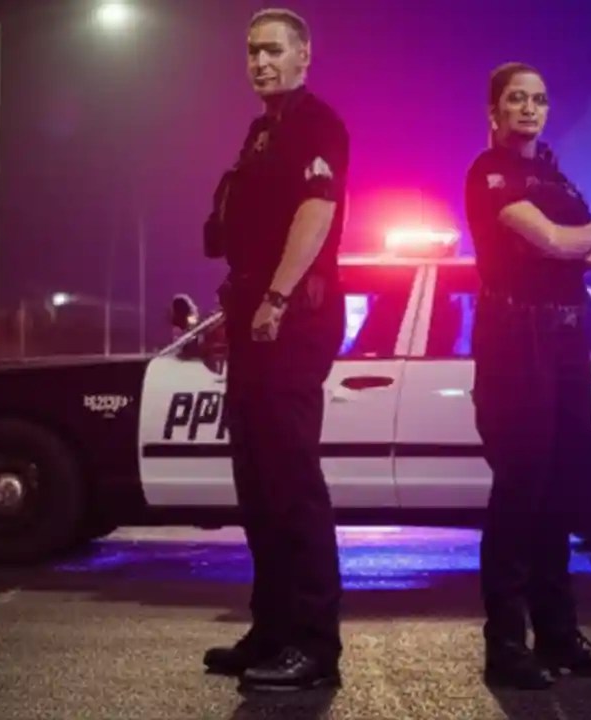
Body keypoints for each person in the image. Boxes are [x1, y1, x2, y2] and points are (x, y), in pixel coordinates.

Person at [200, 7, 348, 693]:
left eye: (273, 50)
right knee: (257, 485)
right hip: (253, 316)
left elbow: (316, 213)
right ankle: (272, 630)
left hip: (293, 319)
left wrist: (278, 297)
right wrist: (234, 311)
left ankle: (315, 647)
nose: (260, 62)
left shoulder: (318, 123)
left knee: (292, 483)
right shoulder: (262, 131)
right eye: (252, 52)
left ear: (303, 56)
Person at [464, 62, 591, 690]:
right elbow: (560, 242)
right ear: (494, 110)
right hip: (515, 338)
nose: (529, 108)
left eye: (538, 99)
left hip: (566, 340)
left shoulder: (557, 176)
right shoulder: (489, 172)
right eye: (516, 98)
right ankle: (506, 646)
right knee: (520, 490)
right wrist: (571, 239)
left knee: (562, 488)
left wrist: (567, 238)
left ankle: (559, 637)